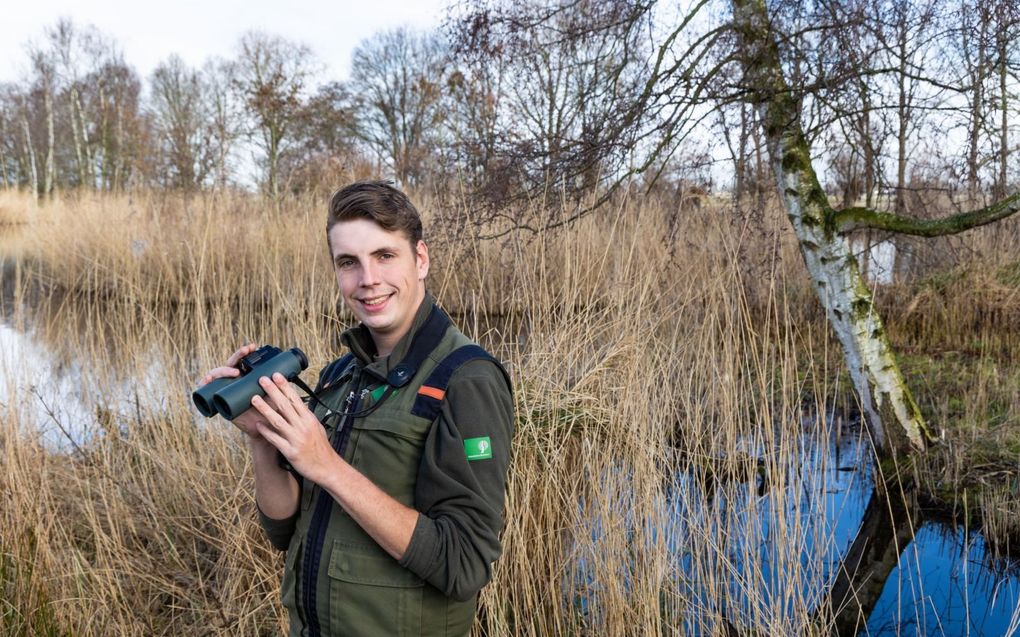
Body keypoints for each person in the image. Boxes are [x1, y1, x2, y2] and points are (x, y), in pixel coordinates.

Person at [199, 181, 514, 636]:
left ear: (420, 259)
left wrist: (328, 467)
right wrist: (262, 436)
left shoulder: (467, 379)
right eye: (348, 262)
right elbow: (283, 532)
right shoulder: (341, 373)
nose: (367, 279)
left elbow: (463, 564)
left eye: (384, 255)